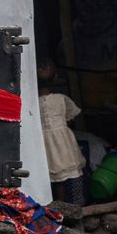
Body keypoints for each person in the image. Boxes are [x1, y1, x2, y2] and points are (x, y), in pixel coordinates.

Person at [37, 59, 85, 202]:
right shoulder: (62, 99)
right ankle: (66, 207)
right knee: (62, 178)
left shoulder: (32, 102)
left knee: (51, 178)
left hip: (42, 144)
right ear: (56, 78)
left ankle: (54, 205)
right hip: (63, 145)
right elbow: (71, 118)